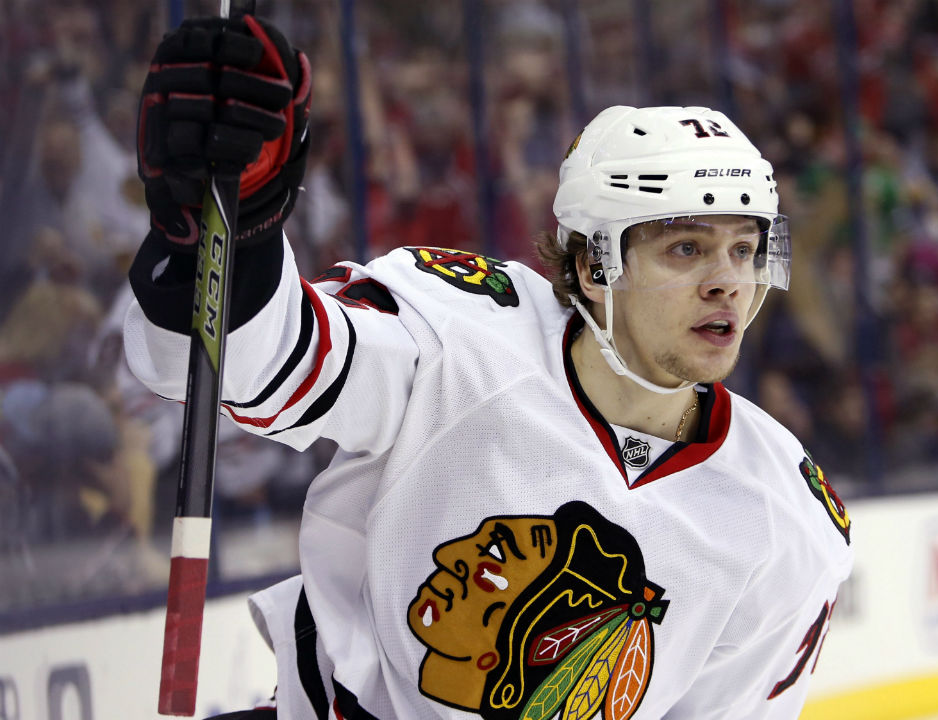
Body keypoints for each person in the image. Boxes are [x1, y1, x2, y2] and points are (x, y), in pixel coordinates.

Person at [124, 16, 854, 720]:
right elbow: (259, 367)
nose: (728, 282)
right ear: (594, 267)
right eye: (686, 249)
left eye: (744, 249)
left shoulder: (788, 521)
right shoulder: (462, 334)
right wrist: (236, 234)